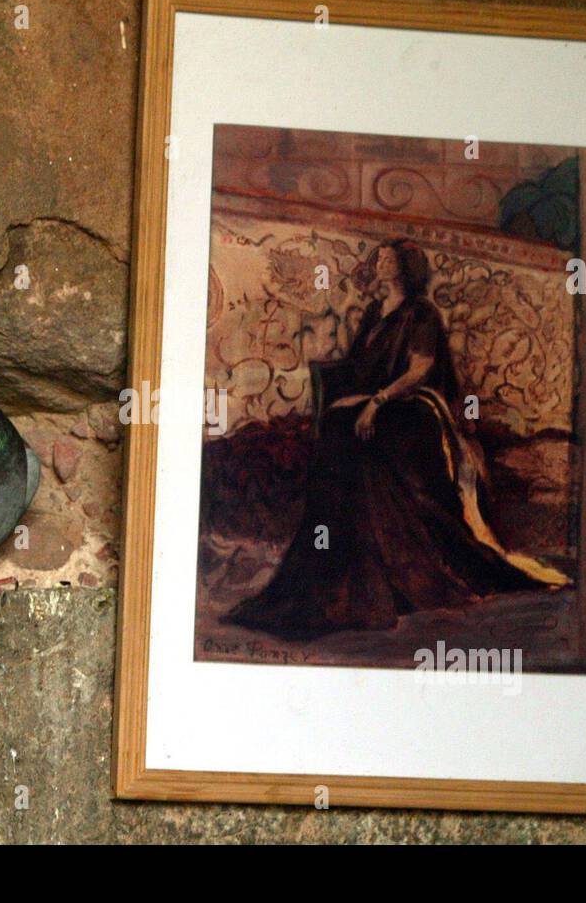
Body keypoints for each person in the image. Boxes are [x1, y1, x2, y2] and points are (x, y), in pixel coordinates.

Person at [228, 238, 568, 637]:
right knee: (339, 428)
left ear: (406, 267)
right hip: (381, 402)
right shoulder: (375, 311)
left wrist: (375, 402)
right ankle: (330, 564)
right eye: (379, 258)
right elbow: (357, 366)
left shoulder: (420, 313)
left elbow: (421, 370)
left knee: (353, 434)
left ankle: (374, 572)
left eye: (389, 259)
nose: (380, 262)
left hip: (416, 408)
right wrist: (353, 397)